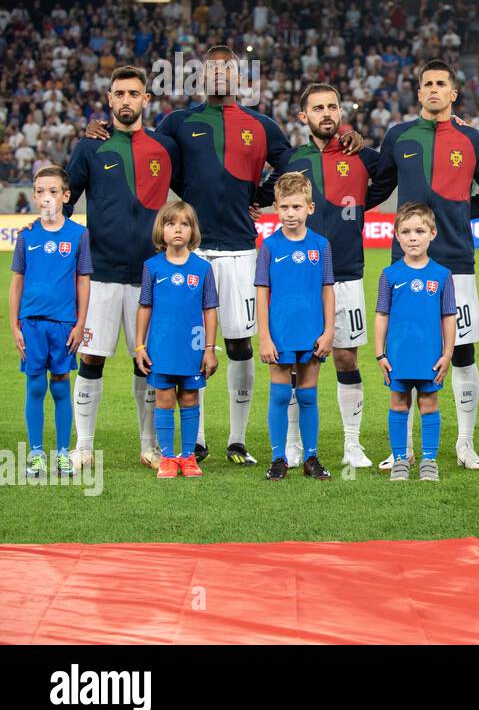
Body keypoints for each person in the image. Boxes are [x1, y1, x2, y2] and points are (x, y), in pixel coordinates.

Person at [87, 45, 310, 466]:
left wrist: (258, 195)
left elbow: (294, 169)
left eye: (227, 69)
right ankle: (199, 437)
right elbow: (143, 150)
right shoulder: (177, 123)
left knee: (240, 343)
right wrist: (102, 130)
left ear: (239, 75)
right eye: (211, 70)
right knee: (193, 343)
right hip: (194, 253)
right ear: (201, 77)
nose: (219, 75)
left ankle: (238, 440)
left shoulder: (261, 126)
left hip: (242, 252)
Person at [369, 59, 479, 471]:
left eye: (442, 84)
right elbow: (377, 187)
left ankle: (465, 444)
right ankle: (400, 449)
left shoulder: (472, 140)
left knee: (463, 352)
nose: (434, 89)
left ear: (453, 93)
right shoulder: (398, 136)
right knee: (402, 350)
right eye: (427, 84)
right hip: (404, 265)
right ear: (418, 93)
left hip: (456, 263)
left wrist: (464, 210)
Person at [65, 65, 179, 471]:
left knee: (144, 360)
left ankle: (149, 446)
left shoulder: (165, 147)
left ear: (146, 99)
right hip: (100, 275)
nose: (126, 100)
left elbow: (196, 186)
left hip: (151, 275)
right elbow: (64, 202)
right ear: (109, 99)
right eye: (119, 94)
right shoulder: (88, 148)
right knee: (91, 359)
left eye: (134, 93)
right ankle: (83, 446)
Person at [274, 83, 386, 470]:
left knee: (344, 356)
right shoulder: (291, 159)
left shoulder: (360, 155)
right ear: (303, 116)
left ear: (340, 112)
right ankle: (291, 444)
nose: (327, 113)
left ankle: (352, 445)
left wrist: (359, 200)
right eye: (317, 108)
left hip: (347, 272)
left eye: (332, 107)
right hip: (299, 280)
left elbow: (389, 175)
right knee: (293, 361)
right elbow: (260, 193)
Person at [9, 166, 91, 478]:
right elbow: (16, 283)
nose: (47, 197)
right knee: (34, 387)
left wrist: (81, 324)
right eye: (41, 191)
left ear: (66, 196)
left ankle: (61, 454)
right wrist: (14, 325)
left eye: (53, 191)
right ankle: (36, 453)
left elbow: (83, 282)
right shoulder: (26, 236)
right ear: (33, 196)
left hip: (64, 325)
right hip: (31, 324)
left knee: (59, 387)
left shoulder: (79, 235)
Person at [256, 172, 335, 481]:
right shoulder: (269, 247)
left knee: (307, 396)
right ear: (276, 208)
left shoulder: (321, 245)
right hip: (280, 334)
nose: (291, 214)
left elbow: (327, 288)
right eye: (285, 207)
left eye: (297, 207)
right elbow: (262, 292)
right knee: (278, 396)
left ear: (310, 208)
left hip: (313, 332)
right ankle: (279, 458)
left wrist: (328, 331)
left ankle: (311, 458)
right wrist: (264, 337)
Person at [135, 201, 218, 479]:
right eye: (171, 224)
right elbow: (145, 306)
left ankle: (188, 457)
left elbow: (210, 310)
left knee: (190, 397)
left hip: (192, 348)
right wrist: (139, 346)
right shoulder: (152, 267)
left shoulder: (203, 269)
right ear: (162, 229)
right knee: (165, 399)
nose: (178, 229)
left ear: (192, 230)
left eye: (184, 224)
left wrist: (209, 349)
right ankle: (168, 458)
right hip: (162, 347)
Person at [374, 203, 456, 482]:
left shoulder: (442, 275)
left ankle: (429, 461)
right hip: (397, 356)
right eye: (406, 231)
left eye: (420, 231)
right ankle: (399, 459)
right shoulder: (390, 275)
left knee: (429, 403)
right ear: (396, 235)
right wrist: (379, 354)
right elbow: (381, 315)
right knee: (398, 403)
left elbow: (448, 317)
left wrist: (447, 355)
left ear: (432, 233)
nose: (413, 237)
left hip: (430, 355)